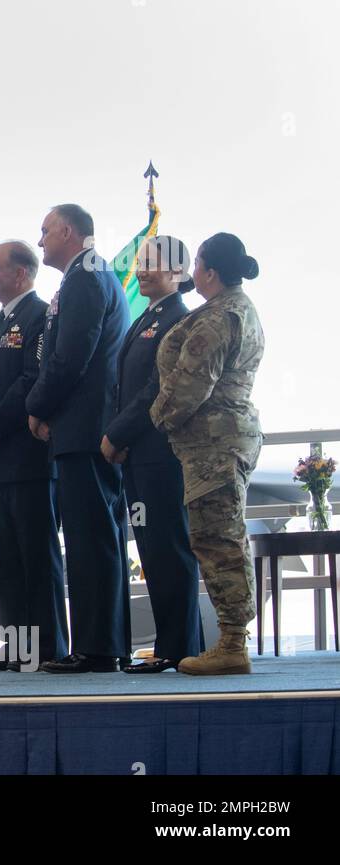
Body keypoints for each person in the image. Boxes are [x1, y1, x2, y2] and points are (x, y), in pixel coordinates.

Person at [151, 233, 264, 675]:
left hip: (214, 445)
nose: (192, 274)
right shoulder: (238, 308)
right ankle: (232, 639)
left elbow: (189, 386)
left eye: (197, 265)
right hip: (223, 440)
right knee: (222, 535)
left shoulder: (219, 316)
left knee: (218, 540)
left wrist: (156, 415)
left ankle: (233, 644)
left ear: (210, 272)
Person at [26, 204, 131, 673]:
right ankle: (99, 644)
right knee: (91, 539)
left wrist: (37, 405)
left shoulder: (87, 274)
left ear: (68, 231)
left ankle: (99, 649)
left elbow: (70, 357)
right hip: (84, 428)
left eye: (46, 230)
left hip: (87, 429)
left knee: (92, 541)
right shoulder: (86, 274)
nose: (41, 238)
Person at [0, 241, 68, 671]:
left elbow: (30, 381)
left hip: (28, 454)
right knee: (5, 557)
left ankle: (46, 649)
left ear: (22, 273)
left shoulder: (41, 316)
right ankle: (16, 648)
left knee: (36, 555)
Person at [101, 236, 204, 672]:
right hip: (139, 455)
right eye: (141, 263)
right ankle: (173, 645)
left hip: (160, 454)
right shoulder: (149, 317)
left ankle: (177, 648)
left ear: (179, 273)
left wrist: (116, 435)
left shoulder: (176, 321)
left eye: (152, 264)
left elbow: (155, 391)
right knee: (152, 549)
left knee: (168, 548)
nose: (142, 271)